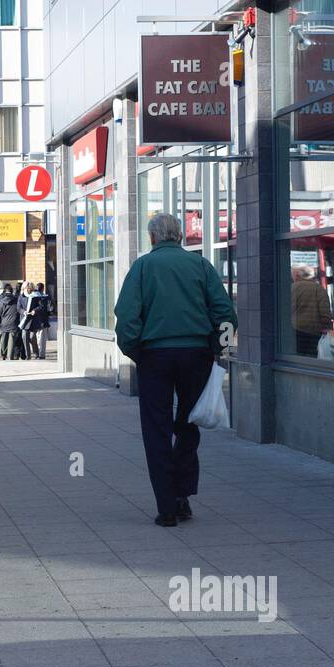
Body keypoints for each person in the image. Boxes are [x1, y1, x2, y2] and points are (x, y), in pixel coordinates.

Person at [114, 212, 236, 527]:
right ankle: (183, 496)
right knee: (188, 424)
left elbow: (127, 315)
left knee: (156, 429)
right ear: (179, 236)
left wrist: (135, 351)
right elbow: (225, 312)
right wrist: (215, 348)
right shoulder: (200, 265)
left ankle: (166, 507)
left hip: (155, 356)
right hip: (196, 354)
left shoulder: (142, 267)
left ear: (153, 238)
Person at [290, 266, 334, 357]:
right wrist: (327, 328)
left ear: (297, 276)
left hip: (296, 330)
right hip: (314, 331)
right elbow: (325, 312)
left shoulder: (291, 288)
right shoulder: (319, 289)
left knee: (298, 357)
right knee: (312, 358)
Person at [0, 283, 21, 359]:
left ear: (5, 291)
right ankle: (10, 356)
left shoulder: (1, 301)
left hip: (3, 323)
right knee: (11, 340)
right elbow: (19, 311)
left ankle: (3, 354)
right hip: (13, 323)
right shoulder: (16, 300)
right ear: (12, 291)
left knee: (3, 340)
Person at [26, 282, 51, 359]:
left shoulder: (32, 296)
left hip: (35, 320)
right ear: (43, 288)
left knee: (35, 338)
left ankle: (39, 354)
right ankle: (40, 354)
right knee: (41, 339)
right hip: (42, 320)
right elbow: (49, 308)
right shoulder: (45, 297)